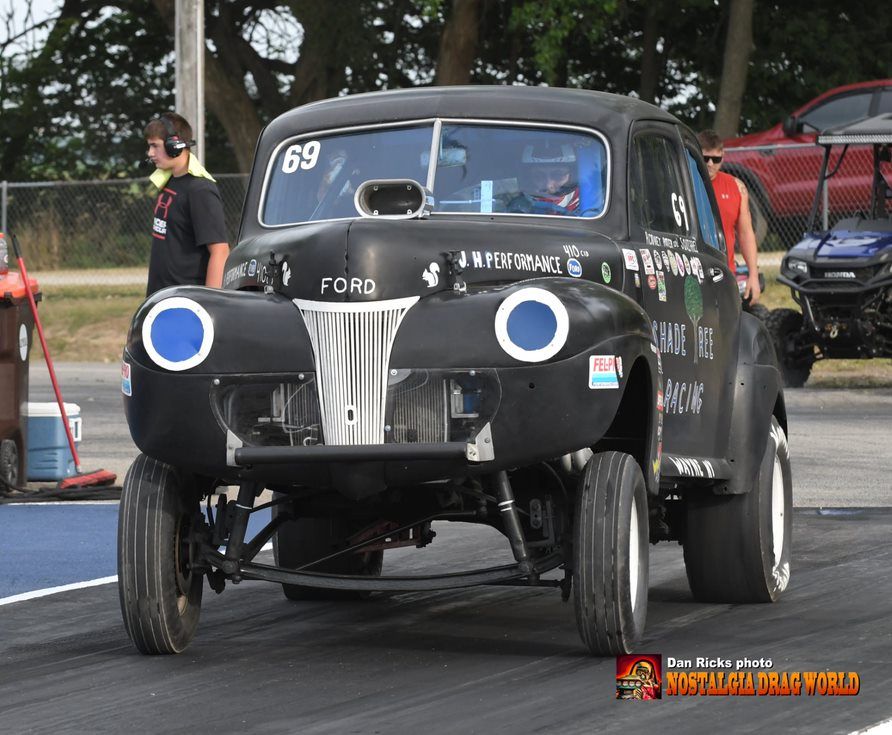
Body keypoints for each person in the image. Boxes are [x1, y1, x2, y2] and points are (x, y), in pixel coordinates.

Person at [144, 112, 229, 296]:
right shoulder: (169, 181)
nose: (150, 153)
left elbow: (220, 251)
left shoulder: (200, 190)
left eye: (155, 146)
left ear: (174, 145)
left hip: (185, 301)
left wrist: (210, 302)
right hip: (161, 297)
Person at [697, 129, 761, 304]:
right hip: (692, 273)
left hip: (725, 274)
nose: (710, 164)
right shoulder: (684, 182)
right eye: (705, 158)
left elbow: (746, 234)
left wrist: (753, 275)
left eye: (716, 159)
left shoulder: (736, 187)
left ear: (723, 157)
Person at [512, 142, 580, 215]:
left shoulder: (589, 210)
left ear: (572, 176)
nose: (548, 185)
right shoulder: (516, 211)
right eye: (538, 176)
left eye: (558, 175)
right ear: (529, 179)